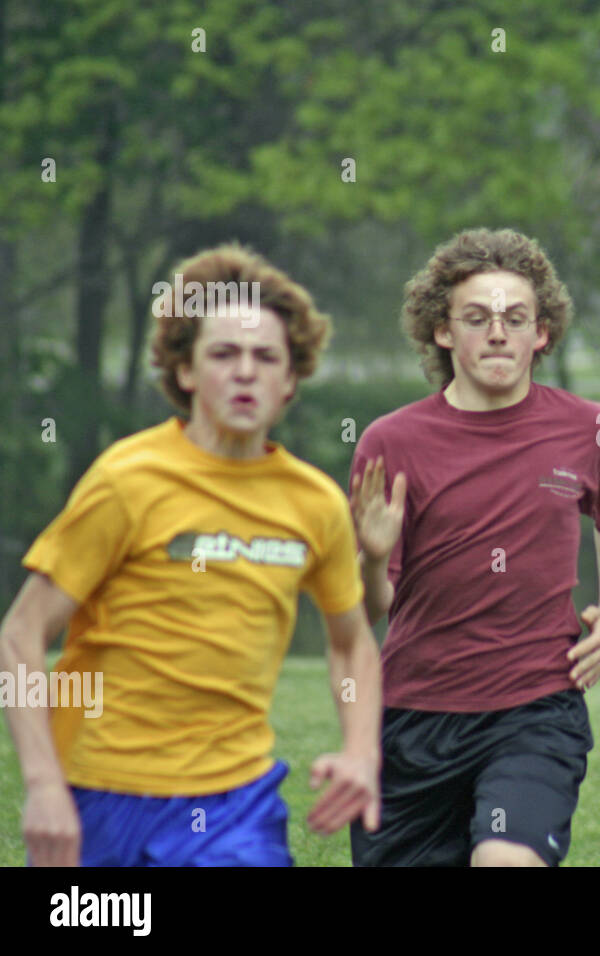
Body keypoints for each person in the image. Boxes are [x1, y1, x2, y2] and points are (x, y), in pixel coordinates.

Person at [0, 244, 381, 867]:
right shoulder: (127, 481)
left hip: (235, 805)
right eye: (223, 354)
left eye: (266, 358)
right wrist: (43, 786)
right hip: (101, 795)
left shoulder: (314, 503)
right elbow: (20, 634)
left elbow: (350, 640)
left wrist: (362, 751)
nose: (245, 372)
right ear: (184, 371)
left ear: (290, 380)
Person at [348, 227, 600, 867]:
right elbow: (372, 605)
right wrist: (371, 556)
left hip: (536, 706)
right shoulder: (390, 442)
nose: (499, 333)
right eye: (477, 318)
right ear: (443, 331)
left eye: (516, 318)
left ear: (542, 332)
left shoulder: (588, 427)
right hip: (412, 715)